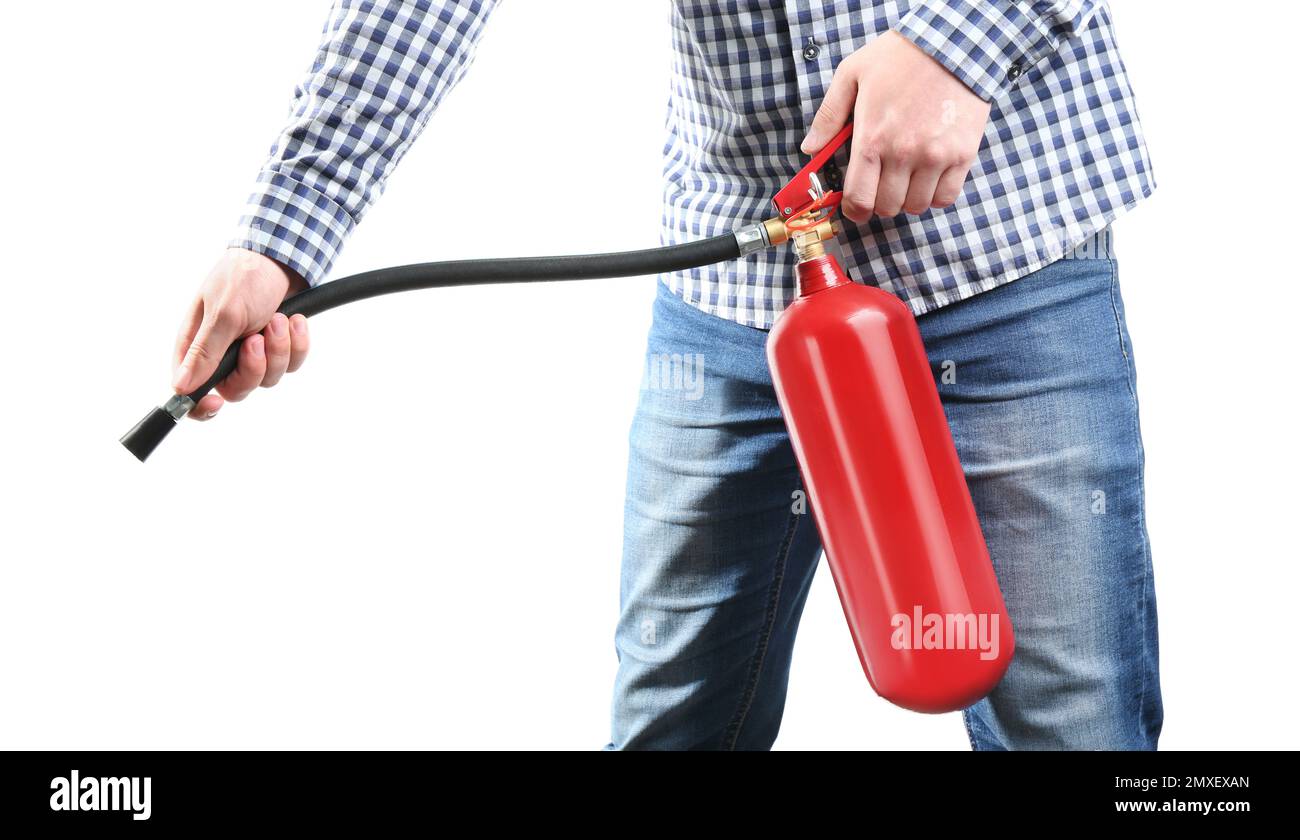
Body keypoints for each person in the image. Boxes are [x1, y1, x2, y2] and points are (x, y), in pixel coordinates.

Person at [170, 0, 1161, 750]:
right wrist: (282, 239)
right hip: (733, 303)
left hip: (1012, 255)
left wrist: (963, 36)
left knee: (1075, 730)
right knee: (670, 724)